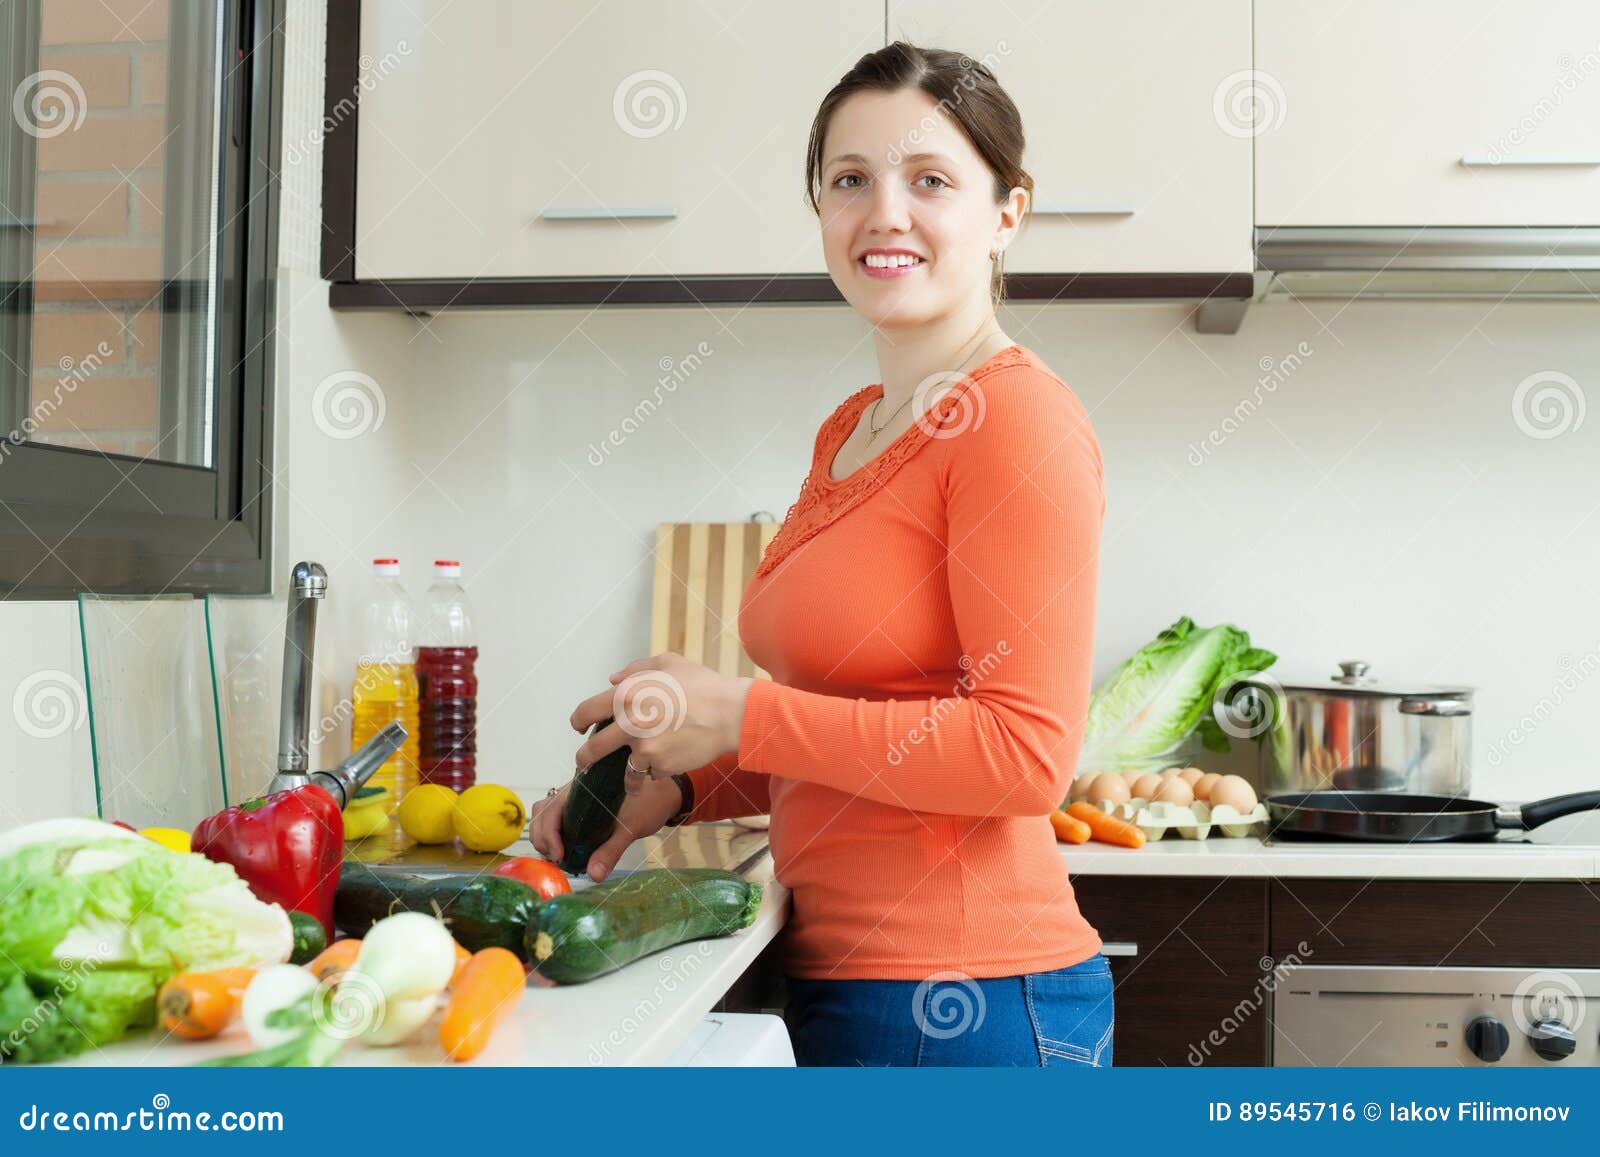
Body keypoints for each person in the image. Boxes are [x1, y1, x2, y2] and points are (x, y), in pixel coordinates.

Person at [529, 41, 1111, 1068]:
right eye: (850, 180)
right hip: (847, 972)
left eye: (930, 180)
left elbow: (1025, 755)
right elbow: (861, 726)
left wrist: (738, 712)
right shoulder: (854, 425)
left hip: (973, 998)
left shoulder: (1018, 421)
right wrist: (688, 783)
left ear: (1006, 213)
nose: (884, 211)